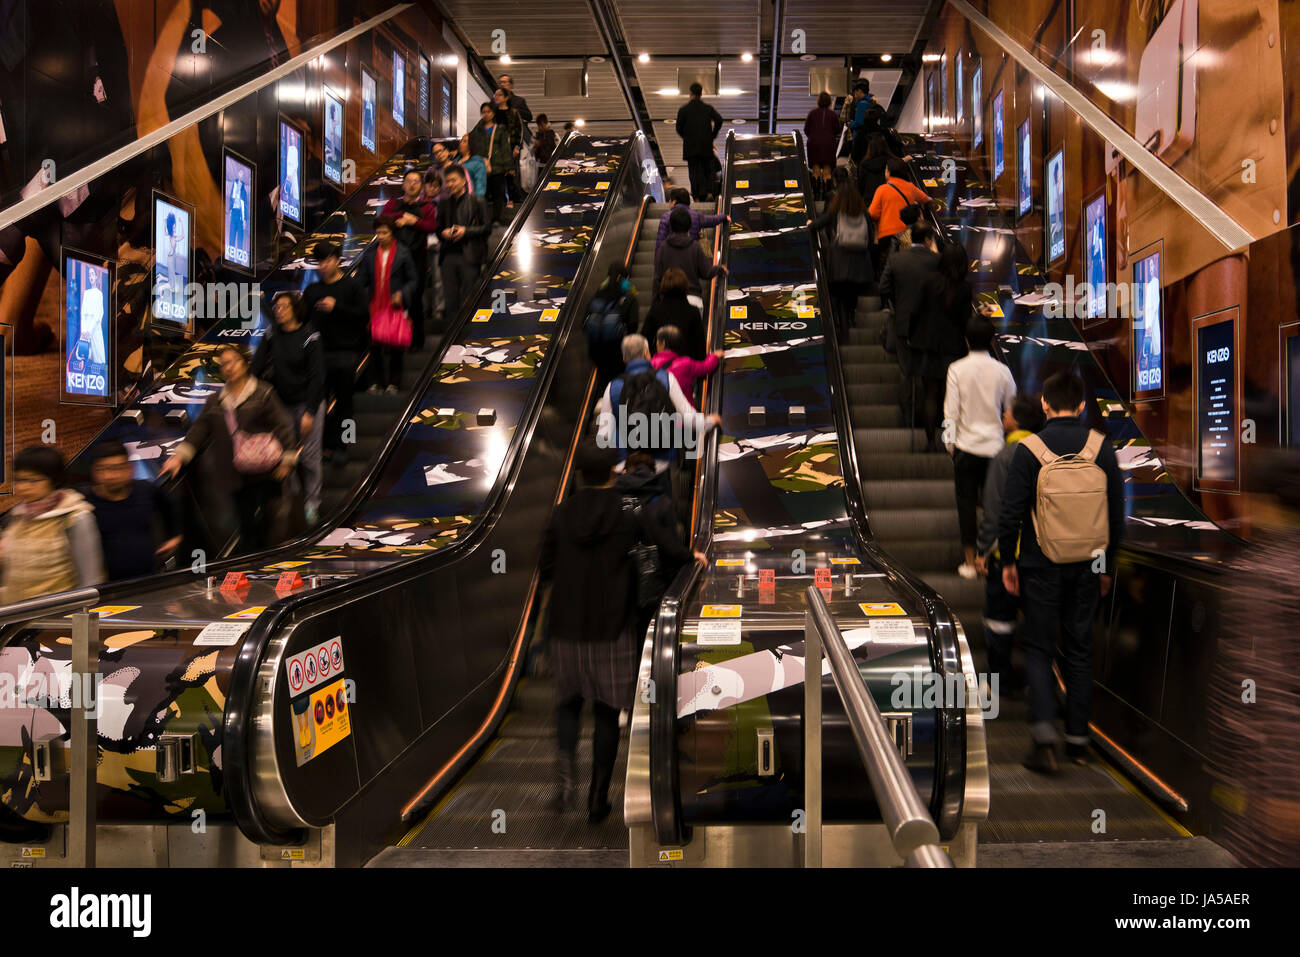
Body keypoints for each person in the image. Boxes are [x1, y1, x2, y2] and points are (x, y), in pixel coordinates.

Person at [539, 442, 703, 821]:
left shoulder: (560, 514)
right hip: (612, 627)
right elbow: (665, 546)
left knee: (567, 705)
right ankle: (598, 798)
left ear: (579, 474)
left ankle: (564, 782)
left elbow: (545, 566)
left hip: (565, 627)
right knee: (607, 713)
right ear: (612, 473)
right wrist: (689, 556)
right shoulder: (628, 510)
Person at [996, 371, 1124, 773]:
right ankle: (1078, 741)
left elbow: (1010, 513)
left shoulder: (1029, 449)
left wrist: (1008, 563)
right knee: (1080, 649)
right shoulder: (1101, 448)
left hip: (1040, 566)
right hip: (1088, 566)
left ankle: (1043, 739)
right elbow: (1115, 518)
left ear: (1045, 405)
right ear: (1082, 406)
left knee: (1038, 647)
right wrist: (1105, 568)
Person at [158, 344, 298, 553]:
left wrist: (287, 460)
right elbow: (199, 430)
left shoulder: (263, 393)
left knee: (269, 524)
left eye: (233, 361)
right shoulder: (216, 400)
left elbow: (284, 425)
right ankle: (252, 568)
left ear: (245, 364)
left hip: (267, 473)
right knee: (246, 526)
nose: (228, 367)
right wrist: (179, 457)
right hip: (235, 476)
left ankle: (267, 563)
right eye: (224, 364)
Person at [974, 393, 1046, 699]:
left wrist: (983, 549)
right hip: (1043, 555)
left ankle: (998, 681)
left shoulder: (1005, 456)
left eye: (1007, 413)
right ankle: (1037, 684)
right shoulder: (1046, 452)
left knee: (999, 619)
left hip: (1007, 554)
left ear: (1015, 419)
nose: (1003, 417)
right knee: (1037, 622)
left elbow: (994, 508)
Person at [944, 312, 1015, 579]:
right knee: (993, 503)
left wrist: (949, 445)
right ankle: (989, 557)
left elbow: (950, 412)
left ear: (966, 340)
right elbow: (1011, 409)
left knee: (965, 504)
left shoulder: (956, 369)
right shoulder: (1003, 371)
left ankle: (970, 561)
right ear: (992, 339)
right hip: (996, 448)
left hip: (965, 446)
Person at [252, 291, 326, 525]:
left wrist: (311, 412)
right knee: (286, 455)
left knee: (310, 457)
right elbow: (256, 367)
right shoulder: (272, 334)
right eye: (276, 307)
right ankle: (293, 499)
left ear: (295, 309)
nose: (279, 311)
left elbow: (318, 376)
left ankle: (313, 502)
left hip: (308, 402)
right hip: (282, 404)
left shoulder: (310, 336)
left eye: (284, 306)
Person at [596, 334, 719, 472]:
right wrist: (710, 421)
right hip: (661, 464)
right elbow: (688, 416)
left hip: (627, 466)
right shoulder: (666, 378)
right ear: (647, 353)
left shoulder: (612, 387)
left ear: (624, 358)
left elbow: (604, 434)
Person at [0, 446, 105, 602]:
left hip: (52, 618)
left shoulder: (75, 516)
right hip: (14, 617)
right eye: (19, 479)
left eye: (33, 480)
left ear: (53, 480)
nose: (23, 487)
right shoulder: (17, 516)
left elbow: (91, 580)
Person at [303, 243, 368, 466]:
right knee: (319, 404)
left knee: (345, 403)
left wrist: (337, 307)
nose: (323, 266)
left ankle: (344, 445)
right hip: (318, 356)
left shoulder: (351, 286)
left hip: (345, 353)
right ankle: (324, 445)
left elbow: (363, 316)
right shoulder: (312, 291)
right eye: (319, 262)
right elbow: (304, 322)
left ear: (338, 260)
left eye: (327, 260)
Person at [83, 440, 182, 581]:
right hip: (107, 586)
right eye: (103, 469)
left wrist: (174, 536)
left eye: (117, 468)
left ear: (130, 468)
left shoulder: (146, 489)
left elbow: (168, 508)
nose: (110, 476)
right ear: (93, 471)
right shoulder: (85, 503)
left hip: (148, 578)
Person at [916, 243, 978, 451]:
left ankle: (930, 442)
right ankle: (950, 441)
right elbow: (965, 322)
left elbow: (919, 311)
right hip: (954, 348)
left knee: (930, 395)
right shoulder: (964, 289)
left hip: (930, 345)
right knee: (951, 399)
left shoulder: (928, 282)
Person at [805, 169, 874, 333]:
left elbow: (819, 223)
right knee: (852, 296)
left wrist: (810, 223)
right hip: (860, 262)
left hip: (840, 261)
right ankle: (852, 319)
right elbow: (870, 238)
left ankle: (844, 329)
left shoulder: (836, 209)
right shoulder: (863, 212)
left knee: (840, 298)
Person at [357, 215, 418, 395]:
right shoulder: (369, 255)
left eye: (384, 232)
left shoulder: (403, 252)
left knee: (396, 346)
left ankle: (394, 383)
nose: (381, 236)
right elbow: (362, 279)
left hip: (395, 305)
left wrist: (402, 293)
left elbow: (414, 280)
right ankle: (376, 382)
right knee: (374, 347)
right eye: (378, 233)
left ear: (393, 233)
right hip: (375, 305)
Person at [880, 221, 941, 398]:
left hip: (903, 320)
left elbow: (883, 287)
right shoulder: (937, 261)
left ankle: (907, 410)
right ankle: (927, 409)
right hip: (930, 323)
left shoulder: (896, 259)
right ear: (929, 240)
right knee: (928, 369)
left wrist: (898, 302)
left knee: (906, 368)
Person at [381, 169, 438, 350]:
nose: (412, 184)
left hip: (417, 258)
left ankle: (417, 340)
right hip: (394, 259)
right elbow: (383, 218)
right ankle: (393, 338)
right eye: (409, 181)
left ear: (421, 186)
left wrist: (414, 222)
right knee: (392, 299)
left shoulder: (427, 206)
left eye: (416, 181)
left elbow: (432, 226)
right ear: (403, 184)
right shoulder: (393, 203)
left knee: (414, 300)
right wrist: (402, 216)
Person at [437, 165, 493, 326]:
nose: (450, 184)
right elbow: (437, 228)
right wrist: (443, 233)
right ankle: (451, 338)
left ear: (463, 181)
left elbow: (487, 228)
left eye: (453, 180)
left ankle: (468, 334)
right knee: (450, 300)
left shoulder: (477, 201)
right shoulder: (444, 203)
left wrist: (465, 231)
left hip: (470, 255)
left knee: (470, 299)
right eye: (447, 181)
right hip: (448, 255)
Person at [868, 157, 935, 267]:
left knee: (888, 267)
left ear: (889, 172)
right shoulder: (910, 187)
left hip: (886, 236)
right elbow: (927, 199)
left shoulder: (882, 189)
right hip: (906, 236)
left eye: (886, 169)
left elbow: (872, 214)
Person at [653, 206, 727, 303]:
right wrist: (720, 269)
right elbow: (706, 272)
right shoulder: (694, 246)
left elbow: (657, 278)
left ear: (671, 225)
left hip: (668, 301)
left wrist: (655, 301)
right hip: (693, 299)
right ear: (689, 226)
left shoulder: (663, 248)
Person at [584, 263, 640, 390]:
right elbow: (633, 324)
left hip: (596, 350)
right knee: (621, 384)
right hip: (618, 350)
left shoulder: (597, 294)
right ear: (625, 278)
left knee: (604, 383)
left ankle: (604, 400)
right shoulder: (629, 297)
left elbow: (585, 322)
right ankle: (620, 407)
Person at [640, 268, 707, 360]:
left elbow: (644, 338)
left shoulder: (655, 310)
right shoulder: (693, 312)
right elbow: (700, 347)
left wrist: (653, 356)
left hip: (661, 367)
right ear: (685, 285)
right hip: (686, 367)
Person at [650, 326, 722, 407]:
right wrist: (714, 356)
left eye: (657, 341)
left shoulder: (649, 366)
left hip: (658, 416)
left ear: (662, 343)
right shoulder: (685, 364)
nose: (656, 344)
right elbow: (706, 367)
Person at [675, 82, 723, 203]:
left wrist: (687, 138)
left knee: (694, 172)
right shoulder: (707, 108)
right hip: (706, 146)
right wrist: (712, 136)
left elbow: (678, 128)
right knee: (708, 170)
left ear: (690, 94)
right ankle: (709, 193)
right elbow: (719, 120)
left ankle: (696, 197)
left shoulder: (684, 110)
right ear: (701, 94)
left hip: (691, 148)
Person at [470, 100, 515, 224]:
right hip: (481, 167)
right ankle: (483, 218)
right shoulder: (477, 129)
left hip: (497, 167)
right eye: (483, 112)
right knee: (482, 194)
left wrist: (509, 166)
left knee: (497, 195)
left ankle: (496, 218)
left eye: (488, 112)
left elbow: (505, 148)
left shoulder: (500, 129)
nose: (486, 114)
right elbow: (470, 142)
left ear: (493, 113)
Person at [655, 188, 729, 250]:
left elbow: (660, 242)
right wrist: (723, 217)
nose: (669, 203)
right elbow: (711, 220)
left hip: (672, 258)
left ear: (674, 201)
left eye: (670, 201)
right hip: (691, 254)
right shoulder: (696, 215)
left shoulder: (666, 217)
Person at [804, 91, 841, 202]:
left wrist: (814, 136)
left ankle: (815, 195)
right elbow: (837, 130)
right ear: (829, 102)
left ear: (818, 101)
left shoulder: (812, 113)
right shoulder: (833, 114)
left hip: (814, 144)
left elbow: (806, 130)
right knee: (827, 172)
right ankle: (826, 196)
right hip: (829, 144)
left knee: (815, 171)